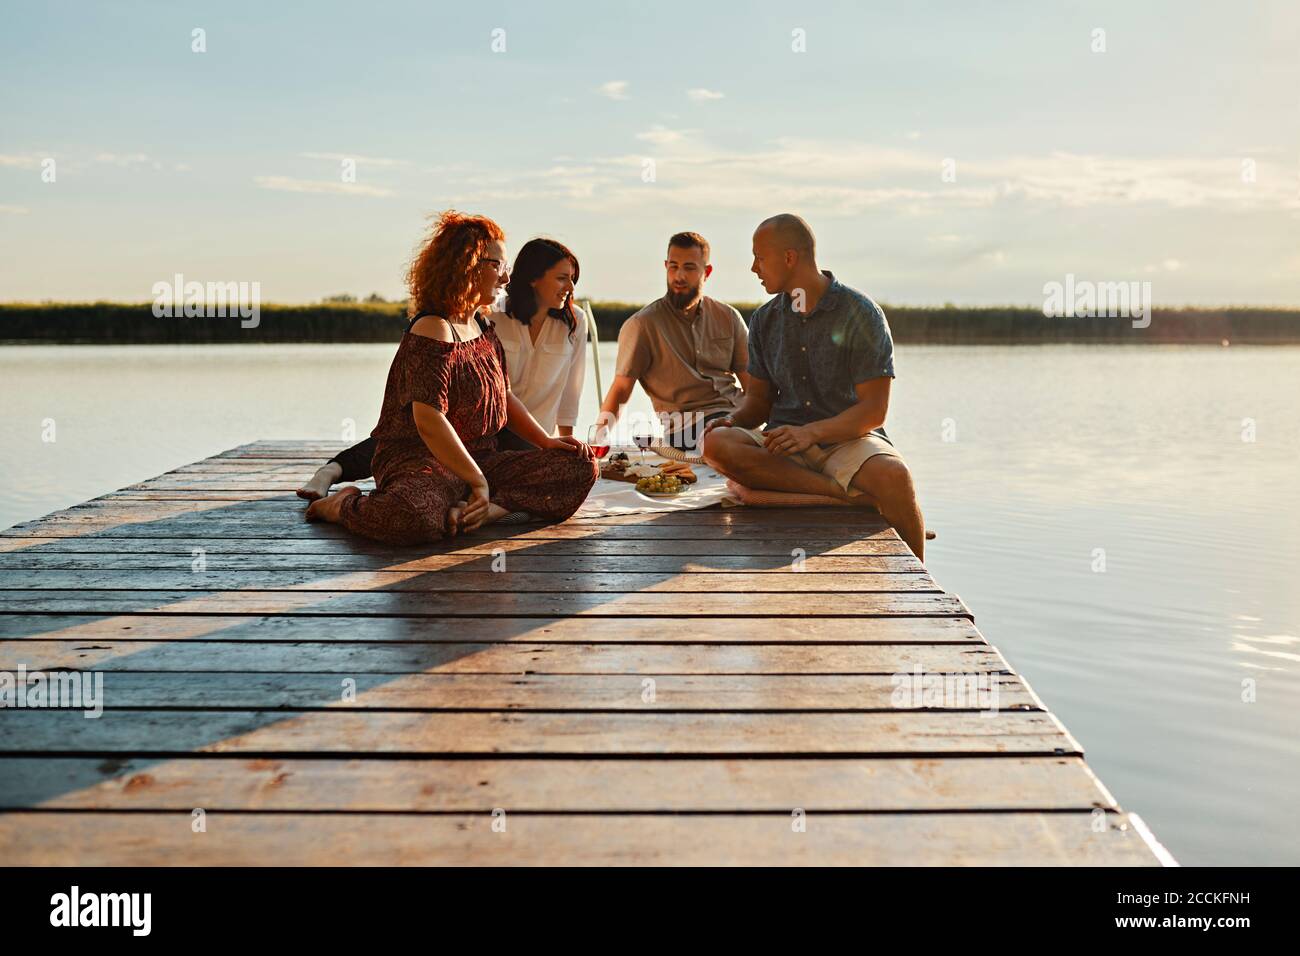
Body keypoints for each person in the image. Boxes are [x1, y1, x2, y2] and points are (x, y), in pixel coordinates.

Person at [304, 211, 598, 543]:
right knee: (416, 518)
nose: (505, 278)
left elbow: (504, 395)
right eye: (498, 266)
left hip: (481, 456)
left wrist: (548, 443)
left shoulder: (483, 324)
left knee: (580, 466)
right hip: (423, 461)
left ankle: (479, 511)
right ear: (467, 266)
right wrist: (478, 481)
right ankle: (342, 506)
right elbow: (429, 420)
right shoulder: (434, 328)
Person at [701, 214, 927, 560]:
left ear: (789, 257)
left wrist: (811, 433)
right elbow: (759, 403)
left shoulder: (860, 313)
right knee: (717, 444)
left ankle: (920, 591)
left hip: (848, 440)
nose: (753, 268)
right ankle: (842, 493)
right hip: (785, 445)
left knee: (896, 477)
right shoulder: (764, 320)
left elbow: (873, 410)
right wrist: (732, 422)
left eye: (759, 257)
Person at [594, 231, 749, 452]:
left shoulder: (728, 316)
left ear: (707, 272)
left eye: (689, 267)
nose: (679, 276)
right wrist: (600, 436)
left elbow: (752, 383)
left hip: (740, 416)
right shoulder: (642, 325)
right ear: (666, 266)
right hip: (688, 428)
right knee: (730, 442)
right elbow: (621, 388)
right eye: (673, 266)